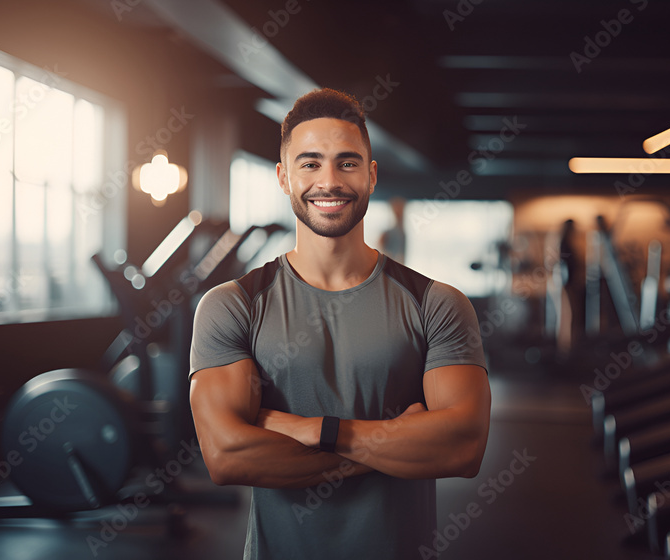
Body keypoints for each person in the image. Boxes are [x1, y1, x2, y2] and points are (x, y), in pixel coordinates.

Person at [187, 88, 491, 560]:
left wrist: (314, 430)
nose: (328, 181)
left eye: (347, 163)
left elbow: (462, 448)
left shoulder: (437, 305)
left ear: (371, 175)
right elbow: (227, 457)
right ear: (283, 177)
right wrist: (392, 445)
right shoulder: (232, 306)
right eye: (309, 163)